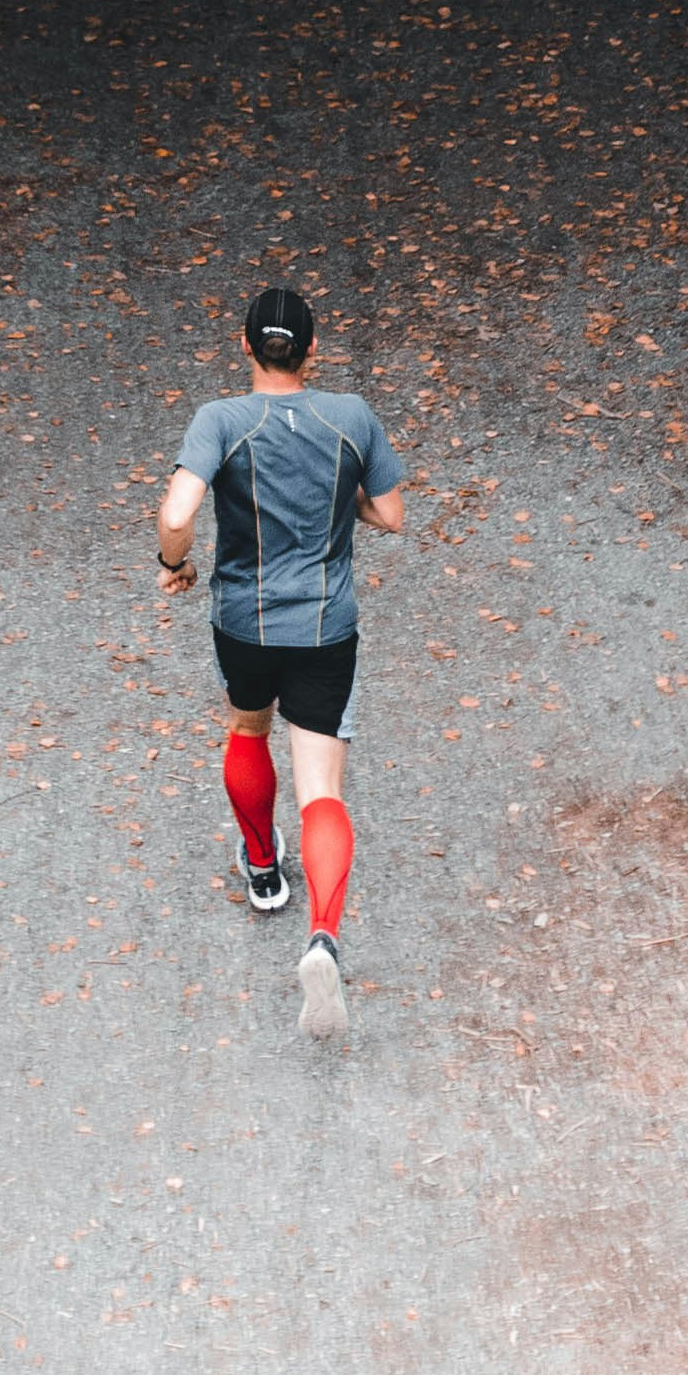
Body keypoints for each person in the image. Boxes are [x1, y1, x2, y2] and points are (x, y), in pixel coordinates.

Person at [158, 283, 406, 1040]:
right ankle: (323, 936)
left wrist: (174, 564)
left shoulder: (221, 420)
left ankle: (264, 871)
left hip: (245, 623)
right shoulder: (351, 416)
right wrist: (341, 498)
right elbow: (391, 513)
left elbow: (177, 513)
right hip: (326, 628)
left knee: (246, 726)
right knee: (321, 786)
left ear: (243, 345)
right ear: (311, 350)